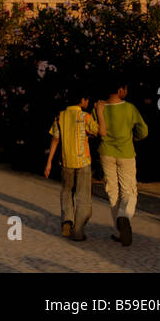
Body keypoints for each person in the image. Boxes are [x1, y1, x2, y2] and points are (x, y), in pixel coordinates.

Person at [96, 78, 149, 246]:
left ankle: (118, 231)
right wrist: (135, 137)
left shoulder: (99, 107)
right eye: (125, 88)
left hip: (106, 153)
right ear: (120, 90)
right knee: (129, 191)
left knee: (112, 192)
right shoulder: (129, 108)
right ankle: (124, 217)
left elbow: (94, 128)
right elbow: (143, 130)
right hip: (126, 153)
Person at [44, 88, 99, 242]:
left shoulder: (60, 116)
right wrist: (97, 112)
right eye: (87, 100)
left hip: (66, 161)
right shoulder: (85, 117)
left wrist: (49, 163)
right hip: (83, 162)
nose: (87, 102)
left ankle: (67, 220)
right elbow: (99, 131)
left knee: (66, 191)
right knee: (83, 197)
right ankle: (78, 231)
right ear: (82, 100)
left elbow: (55, 140)